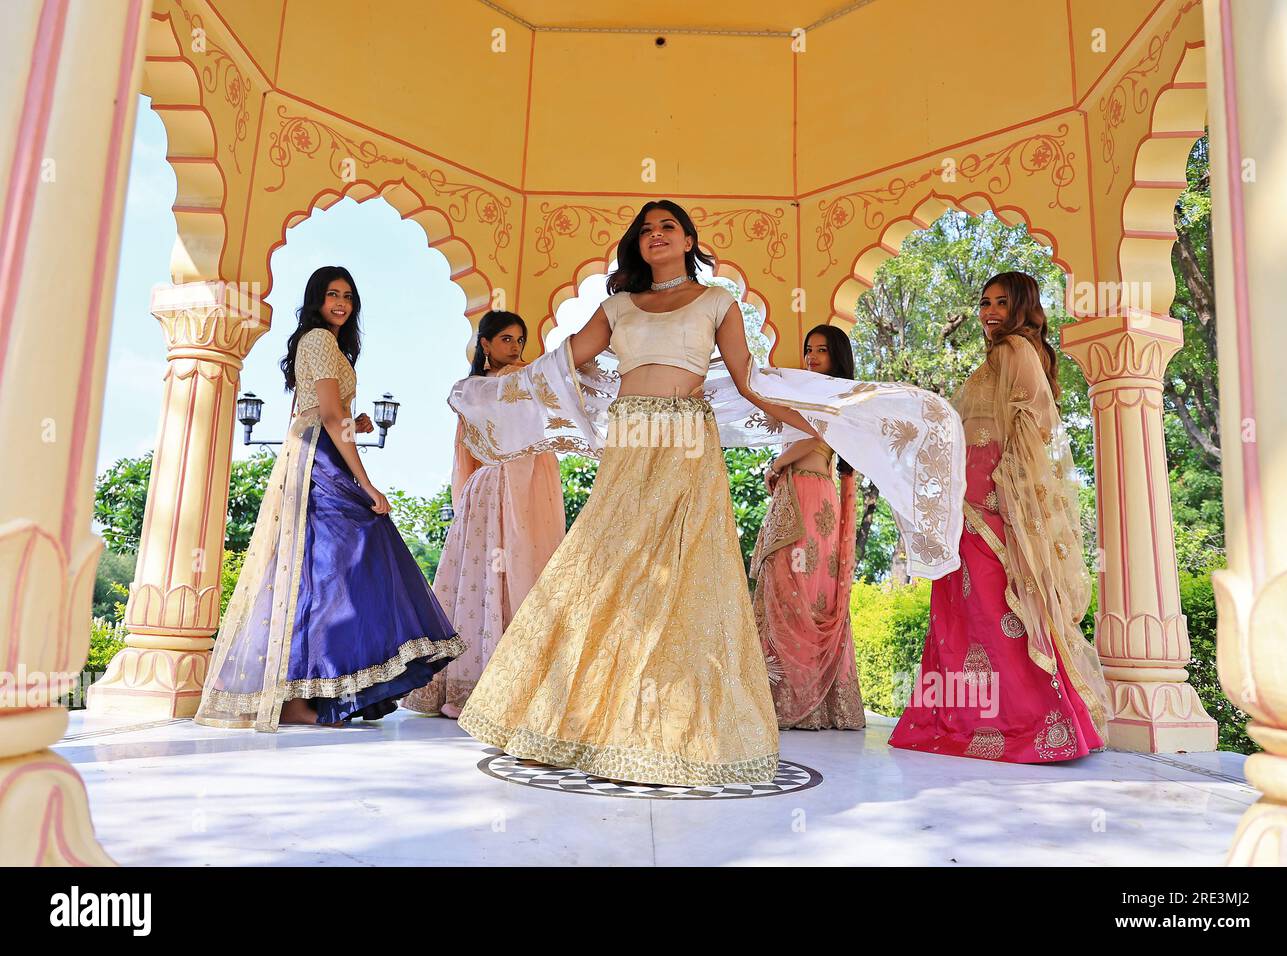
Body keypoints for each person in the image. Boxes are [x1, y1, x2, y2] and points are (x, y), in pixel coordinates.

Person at [453, 200, 966, 785]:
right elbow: (562, 363)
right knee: (601, 562)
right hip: (631, 437)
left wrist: (823, 422)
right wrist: (493, 395)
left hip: (689, 443)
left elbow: (749, 381)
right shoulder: (617, 306)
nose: (655, 236)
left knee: (686, 573)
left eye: (667, 226)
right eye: (645, 230)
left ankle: (677, 726)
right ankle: (548, 718)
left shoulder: (719, 301)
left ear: (690, 238)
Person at [194, 266, 465, 731]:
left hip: (321, 450)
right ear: (315, 300)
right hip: (318, 462)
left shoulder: (331, 346)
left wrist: (353, 425)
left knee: (328, 574)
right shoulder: (318, 339)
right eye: (331, 294)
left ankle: (322, 692)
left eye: (348, 296)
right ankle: (303, 696)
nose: (341, 303)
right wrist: (366, 483)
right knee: (336, 569)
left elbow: (329, 411)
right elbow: (330, 412)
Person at [888, 271, 1110, 761]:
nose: (989, 311)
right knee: (965, 608)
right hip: (966, 501)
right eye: (985, 302)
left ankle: (1031, 727)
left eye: (1001, 303)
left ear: (1022, 307)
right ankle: (976, 724)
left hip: (988, 504)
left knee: (996, 607)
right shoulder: (996, 356)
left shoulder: (1015, 351)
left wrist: (1006, 493)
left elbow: (1038, 423)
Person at [401, 311, 565, 719]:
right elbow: (465, 452)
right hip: (490, 491)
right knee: (481, 582)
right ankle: (468, 688)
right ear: (485, 345)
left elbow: (551, 431)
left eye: (520, 340)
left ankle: (519, 688)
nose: (515, 347)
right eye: (505, 339)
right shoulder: (472, 390)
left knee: (523, 577)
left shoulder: (531, 384)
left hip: (528, 491)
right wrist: (466, 503)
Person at [752, 325, 866, 730]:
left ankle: (798, 701)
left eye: (821, 350)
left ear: (837, 356)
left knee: (802, 591)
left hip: (809, 495)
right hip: (807, 494)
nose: (812, 357)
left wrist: (778, 464)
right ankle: (797, 697)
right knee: (789, 588)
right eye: (807, 350)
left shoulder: (830, 397)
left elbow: (814, 434)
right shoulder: (811, 393)